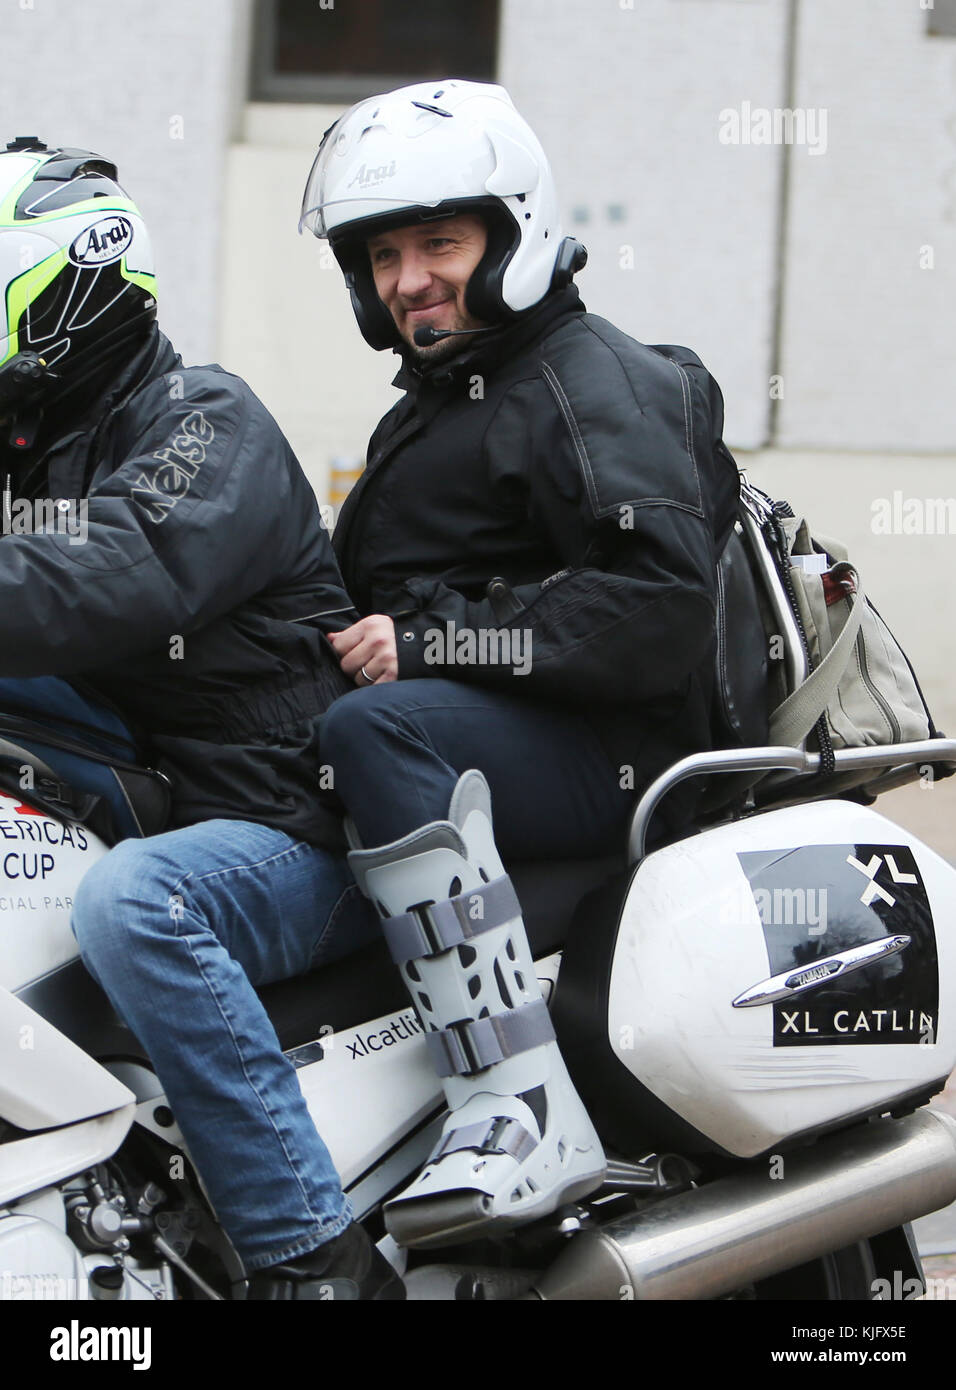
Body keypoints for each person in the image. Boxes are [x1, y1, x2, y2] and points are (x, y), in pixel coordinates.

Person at [300, 79, 741, 1249]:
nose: (407, 281)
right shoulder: (447, 400)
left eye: (438, 241)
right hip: (508, 747)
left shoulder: (585, 379)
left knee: (372, 733)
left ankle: (517, 1099)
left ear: (515, 230)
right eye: (383, 254)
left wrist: (434, 641)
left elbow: (656, 606)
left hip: (613, 762)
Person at [0, 137, 402, 1299]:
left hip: (298, 823)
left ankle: (306, 1256)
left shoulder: (200, 421)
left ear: (65, 284)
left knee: (134, 906)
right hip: (180, 797)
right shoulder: (42, 450)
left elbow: (108, 575)